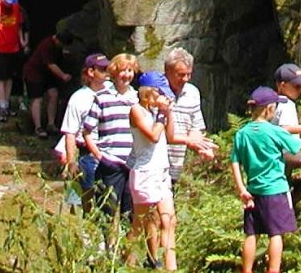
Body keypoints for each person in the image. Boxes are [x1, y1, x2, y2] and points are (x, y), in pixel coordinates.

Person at [232, 86, 301, 273]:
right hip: (275, 190)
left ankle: (246, 270)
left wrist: (242, 189)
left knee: (251, 233)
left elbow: (235, 163)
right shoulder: (275, 132)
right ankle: (273, 269)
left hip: (253, 191)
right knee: (275, 234)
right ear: (269, 109)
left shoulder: (242, 134)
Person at [83, 53, 139, 237]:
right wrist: (100, 156)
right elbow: (87, 132)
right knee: (105, 211)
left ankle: (127, 256)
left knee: (130, 214)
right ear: (114, 72)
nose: (127, 75)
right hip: (110, 163)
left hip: (133, 164)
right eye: (123, 70)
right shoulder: (102, 98)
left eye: (130, 71)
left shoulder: (138, 99)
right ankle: (103, 254)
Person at [129, 71, 178, 270]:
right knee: (139, 225)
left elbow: (171, 135)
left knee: (169, 220)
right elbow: (153, 136)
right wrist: (161, 115)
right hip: (144, 173)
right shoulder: (137, 110)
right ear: (150, 92)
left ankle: (170, 267)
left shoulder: (155, 112)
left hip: (161, 171)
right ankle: (127, 263)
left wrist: (169, 113)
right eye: (161, 94)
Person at [60, 52, 111, 207]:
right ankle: (82, 226)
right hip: (87, 154)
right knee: (83, 196)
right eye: (102, 69)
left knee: (107, 196)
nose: (108, 72)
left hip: (110, 153)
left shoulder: (113, 92)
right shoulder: (78, 98)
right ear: (90, 72)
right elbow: (70, 132)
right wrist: (71, 162)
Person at [162, 47, 218, 188]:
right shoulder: (155, 92)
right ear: (167, 71)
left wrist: (202, 146)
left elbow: (196, 126)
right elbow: (156, 132)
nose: (185, 79)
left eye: (188, 74)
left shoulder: (192, 92)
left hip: (181, 167)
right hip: (157, 165)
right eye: (181, 75)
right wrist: (190, 141)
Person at [25, 31, 73, 138]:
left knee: (54, 94)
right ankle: (38, 127)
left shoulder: (57, 46)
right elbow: (50, 64)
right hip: (34, 74)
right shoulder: (47, 45)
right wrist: (63, 75)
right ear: (57, 40)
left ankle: (51, 124)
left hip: (48, 76)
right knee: (37, 99)